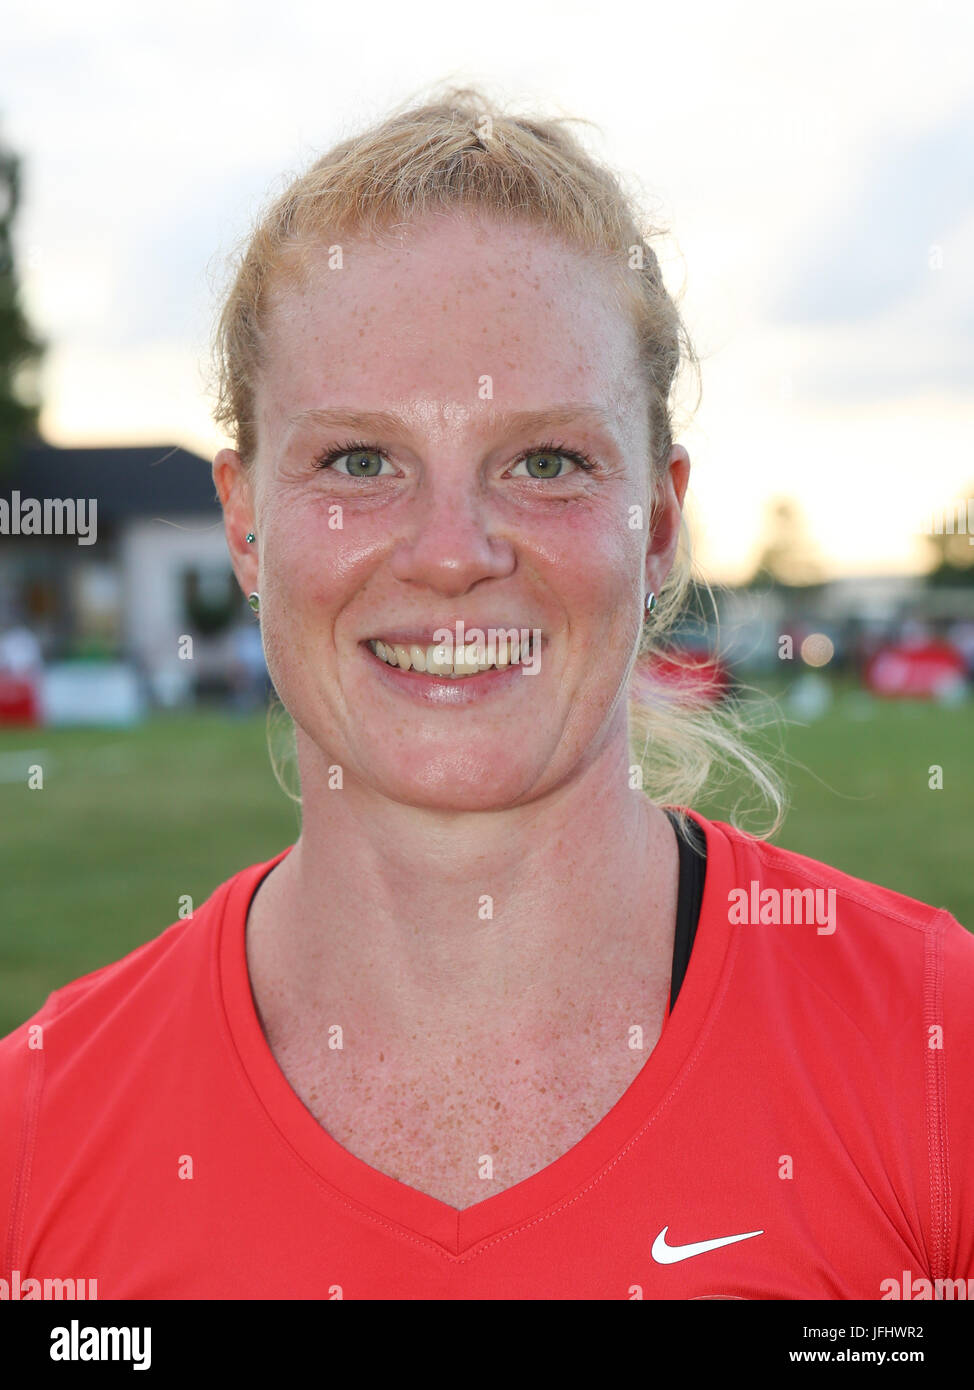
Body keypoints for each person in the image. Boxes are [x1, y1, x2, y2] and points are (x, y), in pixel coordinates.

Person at [1, 85, 972, 1302]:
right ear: (245, 520)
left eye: (545, 461)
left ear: (659, 520)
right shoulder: (33, 1145)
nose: (452, 550)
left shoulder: (937, 1062)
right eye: (360, 460)